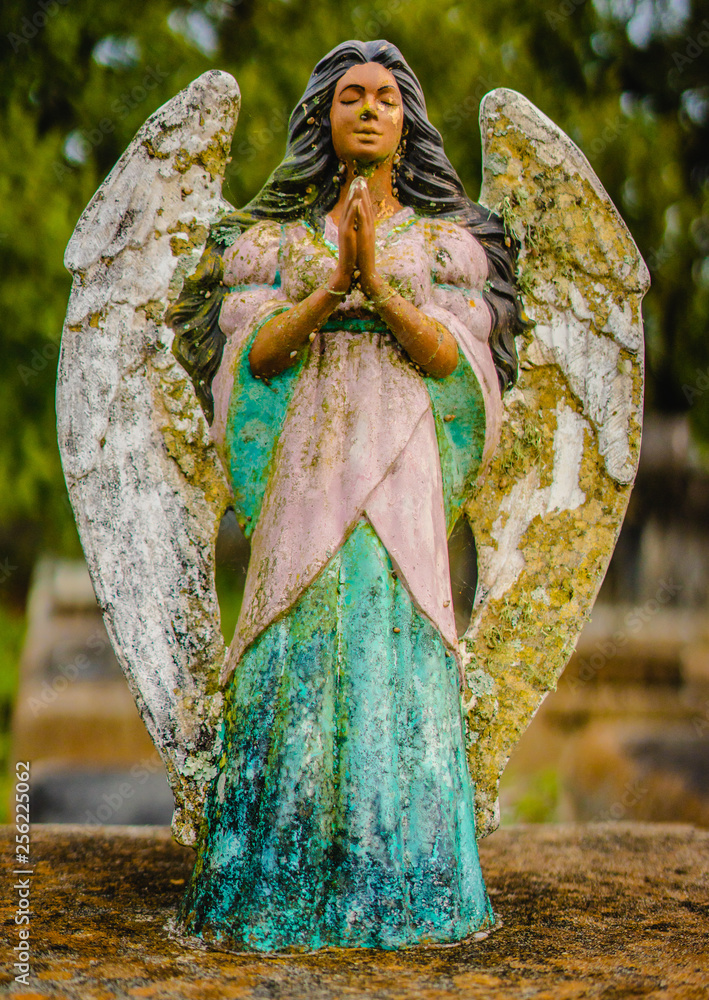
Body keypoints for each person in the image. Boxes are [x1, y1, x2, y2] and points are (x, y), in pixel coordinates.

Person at [167, 39, 525, 952]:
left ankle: (408, 888)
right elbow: (258, 355)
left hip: (402, 459)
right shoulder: (279, 240)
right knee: (293, 622)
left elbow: (452, 358)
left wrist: (380, 289)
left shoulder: (447, 243)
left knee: (395, 621)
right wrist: (334, 286)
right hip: (307, 459)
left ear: (407, 122)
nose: (368, 109)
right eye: (350, 97)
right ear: (324, 120)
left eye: (385, 98)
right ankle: (271, 885)